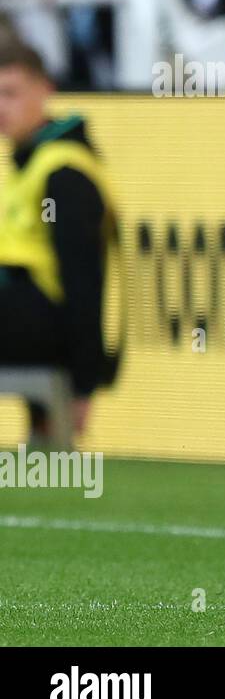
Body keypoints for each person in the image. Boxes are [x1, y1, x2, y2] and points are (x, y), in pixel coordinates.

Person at [0, 40, 119, 447]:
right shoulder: (27, 162)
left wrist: (84, 386)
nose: (1, 107)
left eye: (10, 93)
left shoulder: (64, 172)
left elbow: (84, 280)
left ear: (45, 90)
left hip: (43, 324)